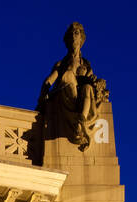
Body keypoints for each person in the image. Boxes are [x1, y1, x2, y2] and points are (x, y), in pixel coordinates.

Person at [38, 22, 109, 151]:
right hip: (66, 96)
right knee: (69, 75)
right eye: (71, 34)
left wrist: (94, 81)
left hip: (82, 99)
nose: (73, 36)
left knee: (87, 88)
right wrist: (42, 98)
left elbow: (90, 82)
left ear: (81, 38)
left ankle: (81, 119)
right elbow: (49, 80)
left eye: (76, 33)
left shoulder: (86, 63)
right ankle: (79, 120)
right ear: (67, 40)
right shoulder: (62, 63)